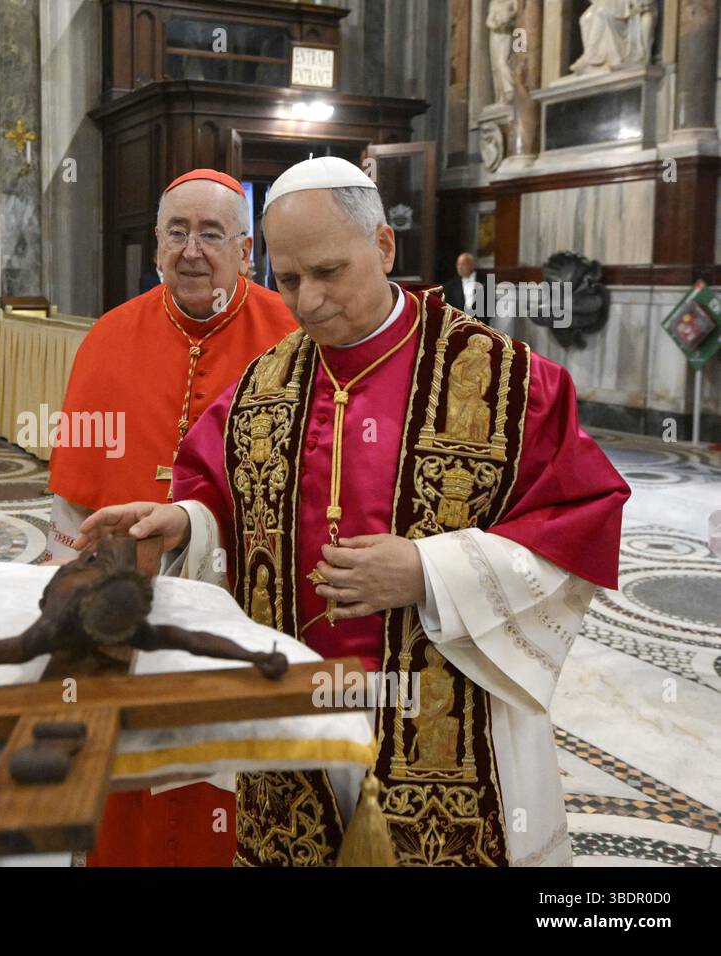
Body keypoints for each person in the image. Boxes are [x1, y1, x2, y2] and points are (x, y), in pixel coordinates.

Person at [76, 156, 630, 867]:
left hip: (441, 726)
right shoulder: (265, 382)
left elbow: (581, 523)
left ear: (384, 246)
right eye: (289, 280)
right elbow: (219, 489)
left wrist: (431, 570)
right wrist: (188, 523)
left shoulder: (503, 379)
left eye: (329, 273)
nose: (307, 303)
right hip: (294, 722)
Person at [48, 169, 298, 867]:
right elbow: (72, 498)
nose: (192, 250)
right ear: (155, 245)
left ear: (247, 252)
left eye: (212, 233)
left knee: (230, 782)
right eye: (177, 232)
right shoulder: (108, 336)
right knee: (129, 790)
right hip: (124, 610)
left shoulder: (293, 340)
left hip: (245, 607)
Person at [441, 251, 481, 320]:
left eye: (463, 264)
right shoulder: (449, 286)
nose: (459, 267)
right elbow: (446, 308)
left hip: (480, 326)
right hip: (458, 325)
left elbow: (490, 307)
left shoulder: (486, 282)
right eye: (458, 264)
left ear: (472, 265)